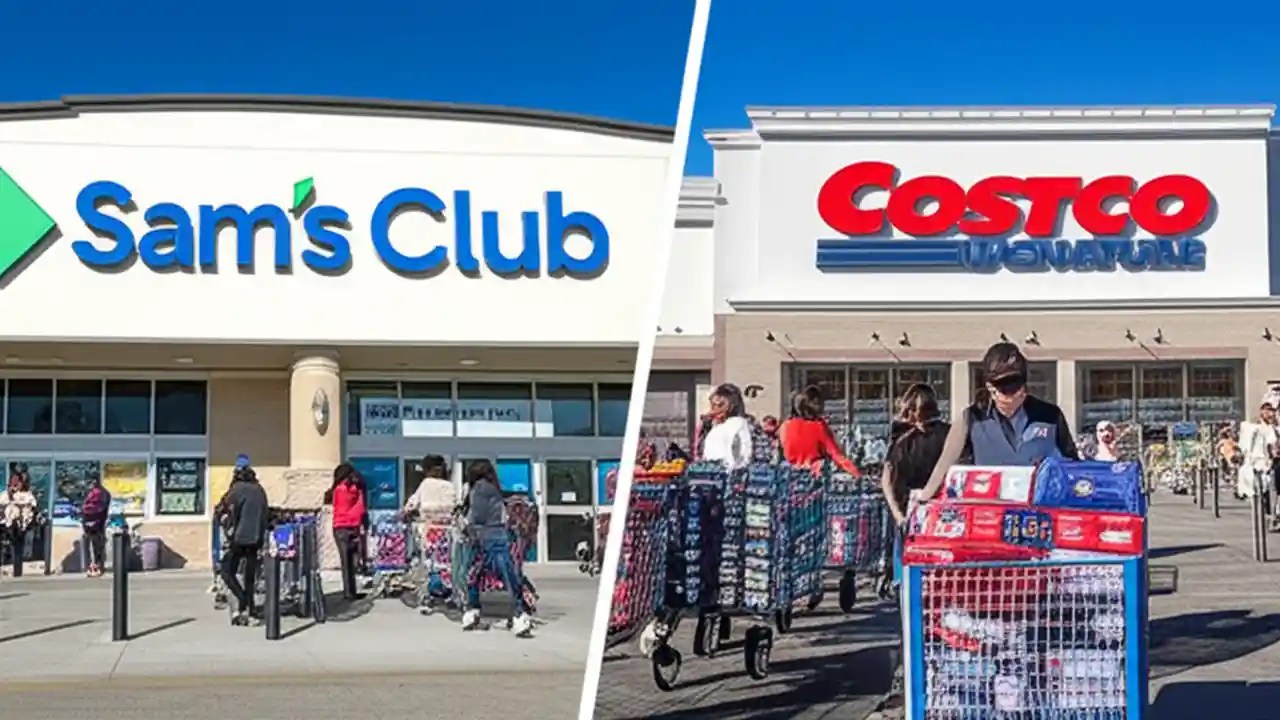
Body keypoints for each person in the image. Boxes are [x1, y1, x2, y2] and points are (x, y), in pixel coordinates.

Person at [874, 383, 950, 714]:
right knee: (947, 601)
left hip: (910, 529)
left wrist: (900, 515)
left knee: (910, 604)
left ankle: (907, 677)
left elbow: (887, 482)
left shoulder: (901, 443)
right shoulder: (948, 436)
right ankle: (944, 670)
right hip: (947, 526)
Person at [922, 342, 1079, 498]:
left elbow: (1074, 467)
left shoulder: (1050, 416)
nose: (1012, 395)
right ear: (990, 387)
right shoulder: (971, 419)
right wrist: (923, 501)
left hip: (1038, 510)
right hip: (988, 510)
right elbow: (943, 469)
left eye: (1016, 386)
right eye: (1004, 388)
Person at [461, 459, 534, 637]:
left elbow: (476, 515)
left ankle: (473, 610)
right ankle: (518, 613)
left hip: (481, 537)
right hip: (497, 536)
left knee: (474, 575)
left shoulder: (477, 488)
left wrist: (467, 527)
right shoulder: (492, 489)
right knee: (509, 576)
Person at [218, 466, 269, 626]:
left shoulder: (237, 489)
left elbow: (223, 507)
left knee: (226, 570)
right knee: (250, 576)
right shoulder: (260, 490)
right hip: (257, 538)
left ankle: (242, 600)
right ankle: (251, 608)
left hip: (240, 538)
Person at [779, 385, 862, 477]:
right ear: (812, 404)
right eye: (820, 403)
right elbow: (837, 456)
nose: (823, 407)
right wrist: (857, 474)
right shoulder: (818, 426)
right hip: (814, 477)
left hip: (790, 477)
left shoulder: (785, 426)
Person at [327, 463, 368, 601]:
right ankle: (351, 591)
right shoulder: (354, 490)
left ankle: (348, 592)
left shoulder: (337, 490)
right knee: (353, 560)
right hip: (352, 527)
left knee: (346, 562)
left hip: (339, 528)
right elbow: (361, 508)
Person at [697, 383, 757, 470]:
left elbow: (746, 456)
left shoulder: (745, 425)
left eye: (721, 405)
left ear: (732, 406)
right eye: (713, 405)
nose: (716, 409)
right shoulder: (710, 426)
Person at [1, 473, 38, 578]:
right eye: (14, 481)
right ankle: (14, 568)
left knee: (20, 547)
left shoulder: (27, 494)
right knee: (12, 546)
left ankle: (18, 570)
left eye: (18, 481)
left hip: (23, 523)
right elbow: (2, 503)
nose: (16, 483)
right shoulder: (6, 494)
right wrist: (9, 494)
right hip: (9, 523)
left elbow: (32, 504)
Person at [80, 478, 112, 578]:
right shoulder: (104, 493)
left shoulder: (91, 493)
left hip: (91, 524)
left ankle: (93, 567)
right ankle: (96, 567)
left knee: (92, 546)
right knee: (97, 546)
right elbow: (104, 508)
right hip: (98, 524)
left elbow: (83, 508)